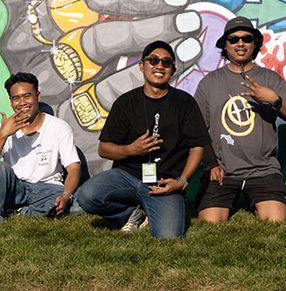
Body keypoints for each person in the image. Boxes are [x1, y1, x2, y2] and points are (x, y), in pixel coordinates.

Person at [75, 40, 209, 238]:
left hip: (164, 183)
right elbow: (104, 149)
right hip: (127, 177)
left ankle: (151, 210)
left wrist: (182, 181)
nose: (159, 66)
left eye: (166, 62)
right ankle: (131, 213)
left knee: (169, 237)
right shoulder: (126, 102)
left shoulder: (185, 102)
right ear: (142, 65)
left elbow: (197, 146)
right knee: (87, 196)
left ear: (172, 69)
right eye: (153, 60)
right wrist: (131, 150)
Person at [194, 16, 286, 224]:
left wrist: (274, 100)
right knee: (210, 223)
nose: (240, 43)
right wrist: (211, 164)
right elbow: (197, 132)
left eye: (247, 38)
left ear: (255, 43)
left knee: (276, 222)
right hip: (223, 172)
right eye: (233, 39)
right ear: (225, 45)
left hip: (264, 170)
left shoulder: (271, 79)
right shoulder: (209, 83)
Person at [0, 72, 82, 229]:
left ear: (38, 96)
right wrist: (3, 135)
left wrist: (65, 196)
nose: (22, 102)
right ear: (10, 102)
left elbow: (73, 168)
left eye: (27, 96)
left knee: (79, 203)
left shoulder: (59, 127)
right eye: (16, 98)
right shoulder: (0, 131)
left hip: (48, 189)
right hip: (15, 188)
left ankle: (18, 211)